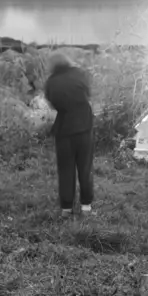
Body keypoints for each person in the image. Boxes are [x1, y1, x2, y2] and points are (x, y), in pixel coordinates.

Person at [43, 52, 95, 217]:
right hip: (85, 126)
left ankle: (66, 208)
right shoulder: (79, 74)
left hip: (64, 129)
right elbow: (88, 93)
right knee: (85, 168)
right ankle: (86, 207)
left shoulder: (51, 81)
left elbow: (52, 103)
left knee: (65, 169)